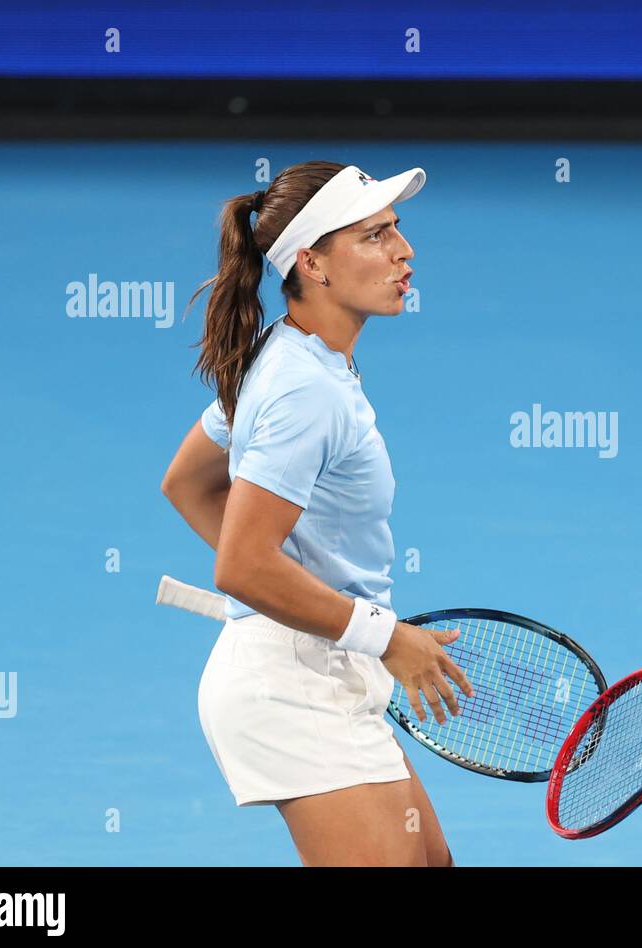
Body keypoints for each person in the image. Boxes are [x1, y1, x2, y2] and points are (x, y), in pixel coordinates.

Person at [160, 160, 474, 866]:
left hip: (324, 666)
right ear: (313, 262)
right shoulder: (306, 390)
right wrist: (379, 633)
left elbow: (187, 483)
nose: (404, 250)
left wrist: (296, 592)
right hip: (290, 691)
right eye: (374, 235)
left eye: (397, 230)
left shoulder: (292, 356)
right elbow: (241, 564)